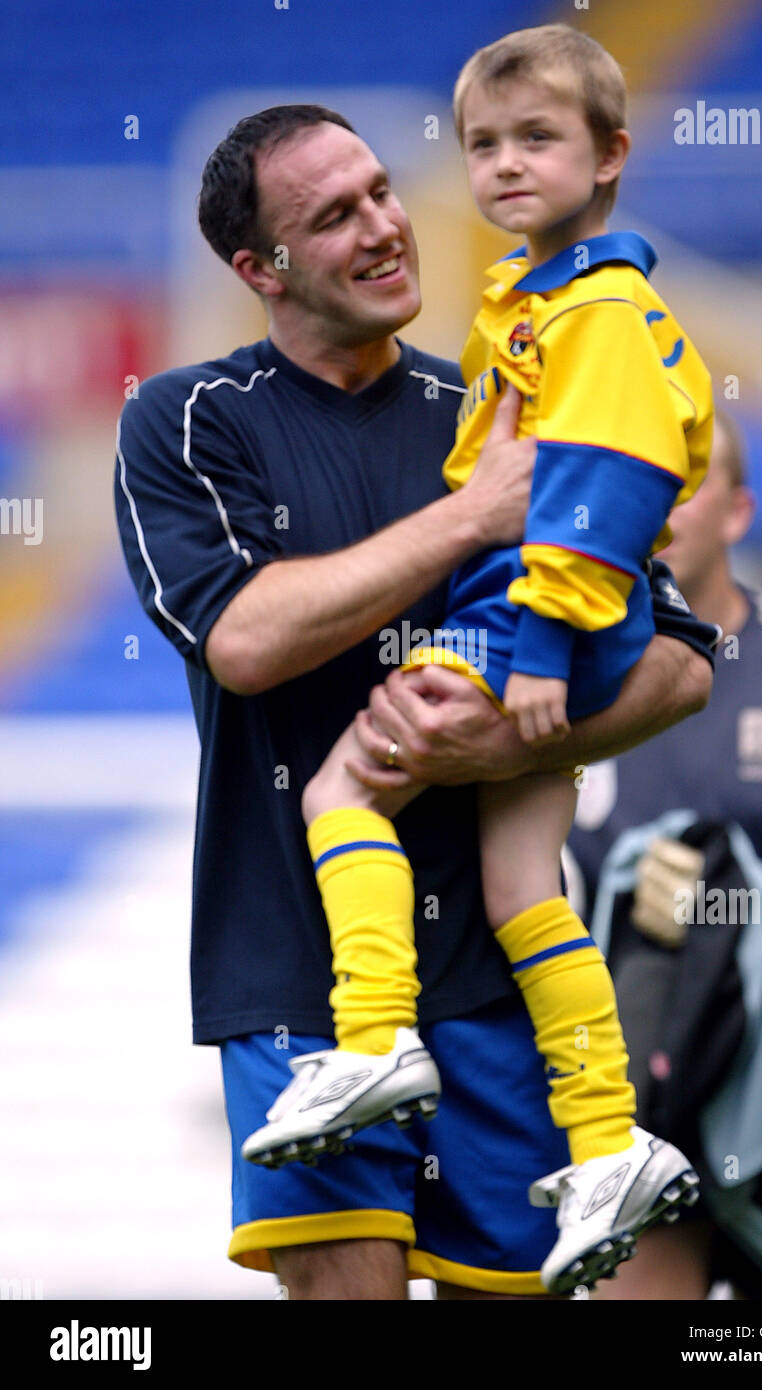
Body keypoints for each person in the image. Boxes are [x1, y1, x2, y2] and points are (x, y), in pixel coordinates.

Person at [114, 98, 714, 1300]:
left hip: (502, 985)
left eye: (382, 190)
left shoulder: (500, 403)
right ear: (259, 268)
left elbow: (680, 659)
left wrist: (500, 741)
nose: (387, 226)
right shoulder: (185, 419)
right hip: (300, 981)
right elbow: (242, 638)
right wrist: (473, 516)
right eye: (333, 217)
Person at [566, 411, 762, 1299]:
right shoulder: (569, 678)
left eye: (686, 482)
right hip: (643, 1109)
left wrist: (731, 899)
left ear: (739, 512)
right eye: (642, 484)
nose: (662, 508)